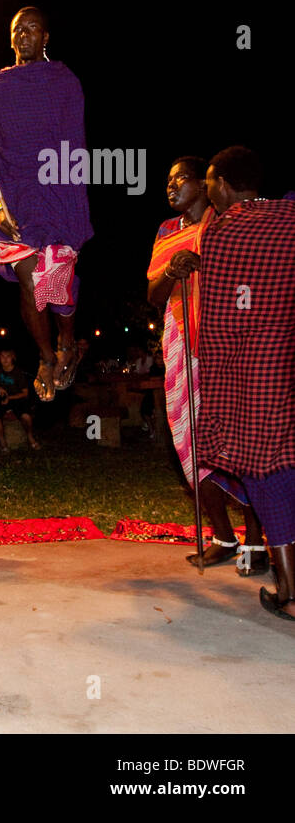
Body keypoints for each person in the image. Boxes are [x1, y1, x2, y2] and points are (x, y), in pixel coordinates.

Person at [171, 146, 293, 619]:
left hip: (252, 378)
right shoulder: (289, 217)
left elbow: (219, 317)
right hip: (288, 365)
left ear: (219, 184)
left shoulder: (221, 230)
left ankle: (290, 593)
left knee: (267, 478)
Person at [0, 7, 92, 402]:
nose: (24, 35)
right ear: (11, 37)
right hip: (11, 196)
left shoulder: (64, 81)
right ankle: (46, 354)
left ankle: (68, 341)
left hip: (57, 193)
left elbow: (75, 145)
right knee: (27, 269)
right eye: (18, 29)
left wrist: (70, 199)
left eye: (33, 29)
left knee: (57, 279)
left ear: (46, 37)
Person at [146, 156, 266, 572]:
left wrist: (209, 269)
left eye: (181, 178)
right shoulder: (166, 231)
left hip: (227, 342)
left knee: (240, 441)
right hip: (181, 338)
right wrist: (171, 271)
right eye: (168, 179)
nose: (172, 185)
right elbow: (153, 295)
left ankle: (256, 541)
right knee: (190, 441)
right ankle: (222, 535)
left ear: (204, 184)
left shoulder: (229, 223)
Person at [0, 349, 41, 451]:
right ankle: (3, 443)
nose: (5, 359)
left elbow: (25, 393)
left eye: (8, 356)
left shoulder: (18, 372)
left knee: (26, 417)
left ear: (12, 358)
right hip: (2, 398)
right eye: (2, 356)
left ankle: (30, 437)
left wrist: (10, 398)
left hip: (16, 398)